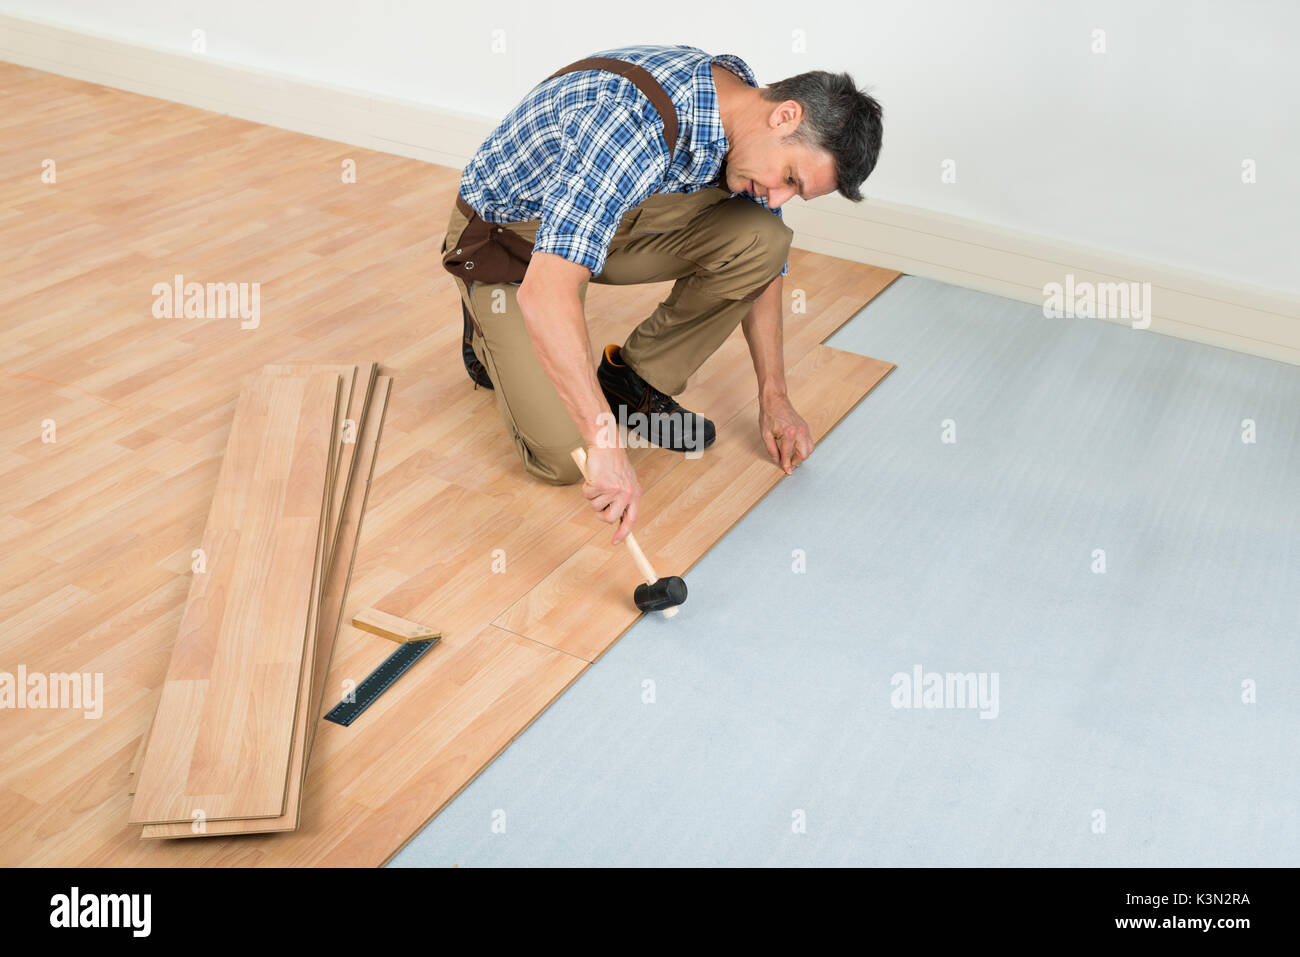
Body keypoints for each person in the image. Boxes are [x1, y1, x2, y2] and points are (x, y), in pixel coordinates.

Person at [442, 43, 882, 543]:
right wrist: (604, 441)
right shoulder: (630, 123)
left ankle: (633, 379)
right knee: (567, 457)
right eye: (788, 179)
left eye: (794, 193)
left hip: (605, 226)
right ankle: (485, 329)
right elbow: (547, 292)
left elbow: (765, 267)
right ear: (785, 115)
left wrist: (774, 397)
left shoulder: (740, 115)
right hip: (514, 248)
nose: (778, 197)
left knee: (763, 238)